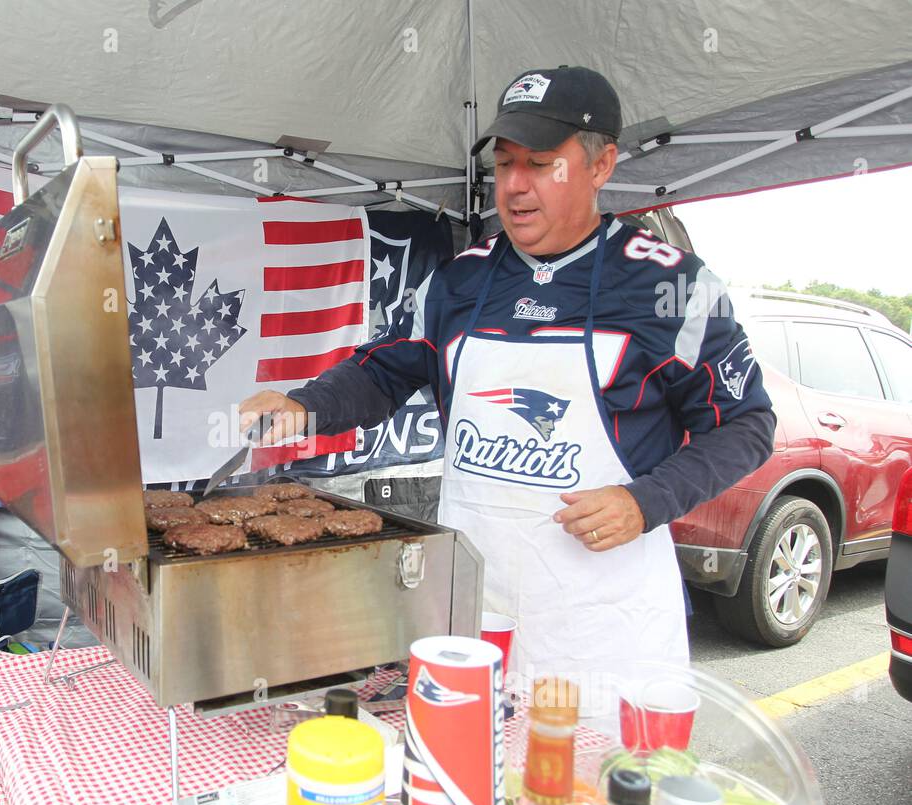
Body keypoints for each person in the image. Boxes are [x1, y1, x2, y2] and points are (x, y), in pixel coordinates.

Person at [239, 66, 775, 709]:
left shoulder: (675, 287)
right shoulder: (457, 282)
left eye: (542, 164)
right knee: (463, 788)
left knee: (591, 802)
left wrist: (647, 501)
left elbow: (746, 424)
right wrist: (305, 404)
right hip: (476, 600)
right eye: (505, 164)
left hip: (602, 622)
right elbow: (383, 369)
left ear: (601, 165)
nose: (515, 187)